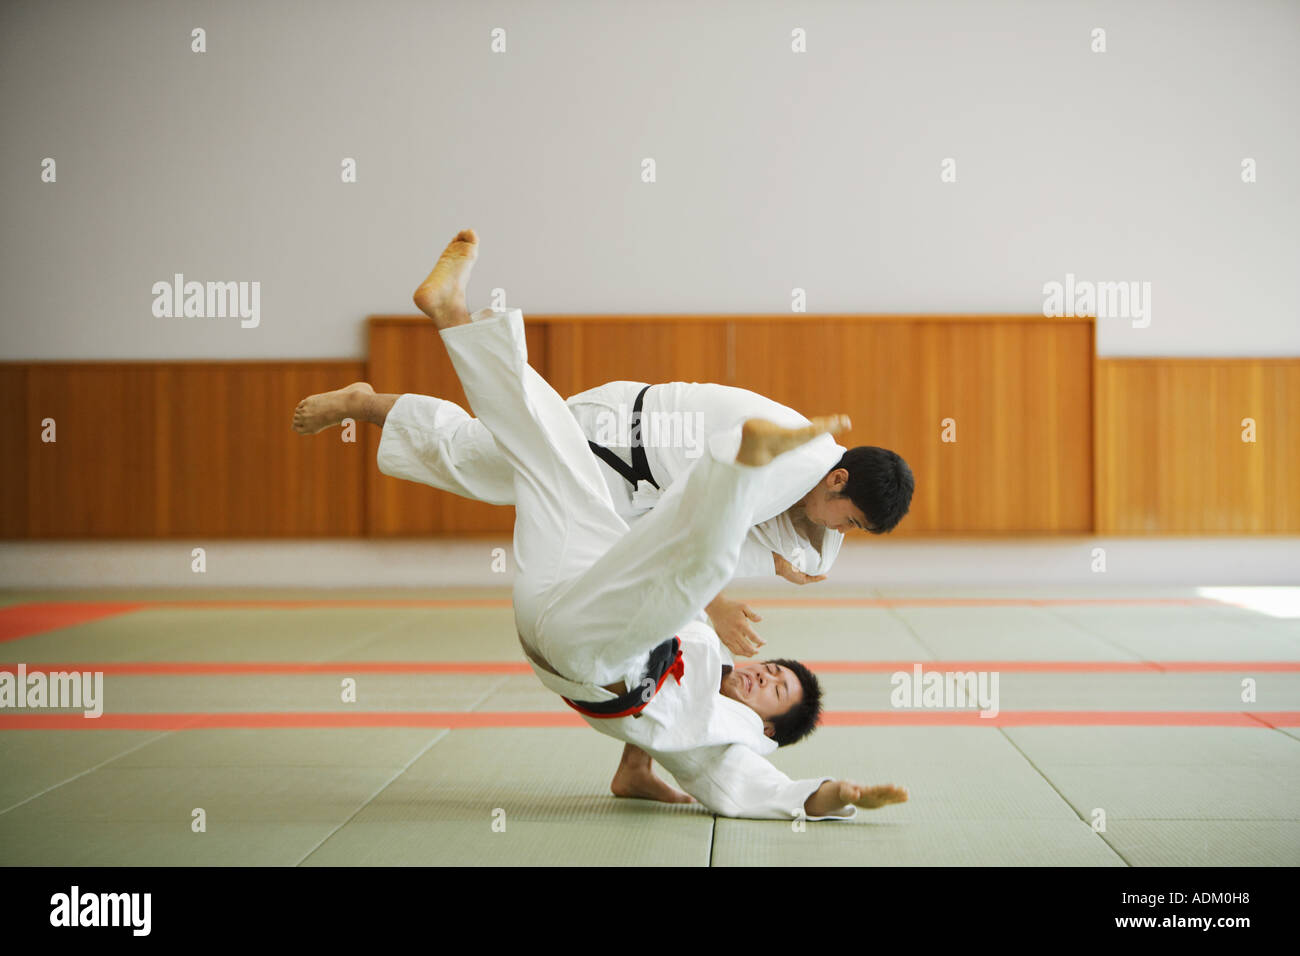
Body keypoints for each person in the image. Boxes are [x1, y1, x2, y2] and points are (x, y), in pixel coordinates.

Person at [327, 227, 907, 820]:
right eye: (777, 670)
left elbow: (765, 789)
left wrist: (837, 795)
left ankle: (731, 466)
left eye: (775, 690)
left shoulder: (727, 734)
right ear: (837, 481)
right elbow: (682, 544)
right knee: (536, 455)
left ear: (766, 728)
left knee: (543, 466)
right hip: (599, 522)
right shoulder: (712, 639)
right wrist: (718, 603)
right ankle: (441, 322)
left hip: (590, 646)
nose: (764, 674)